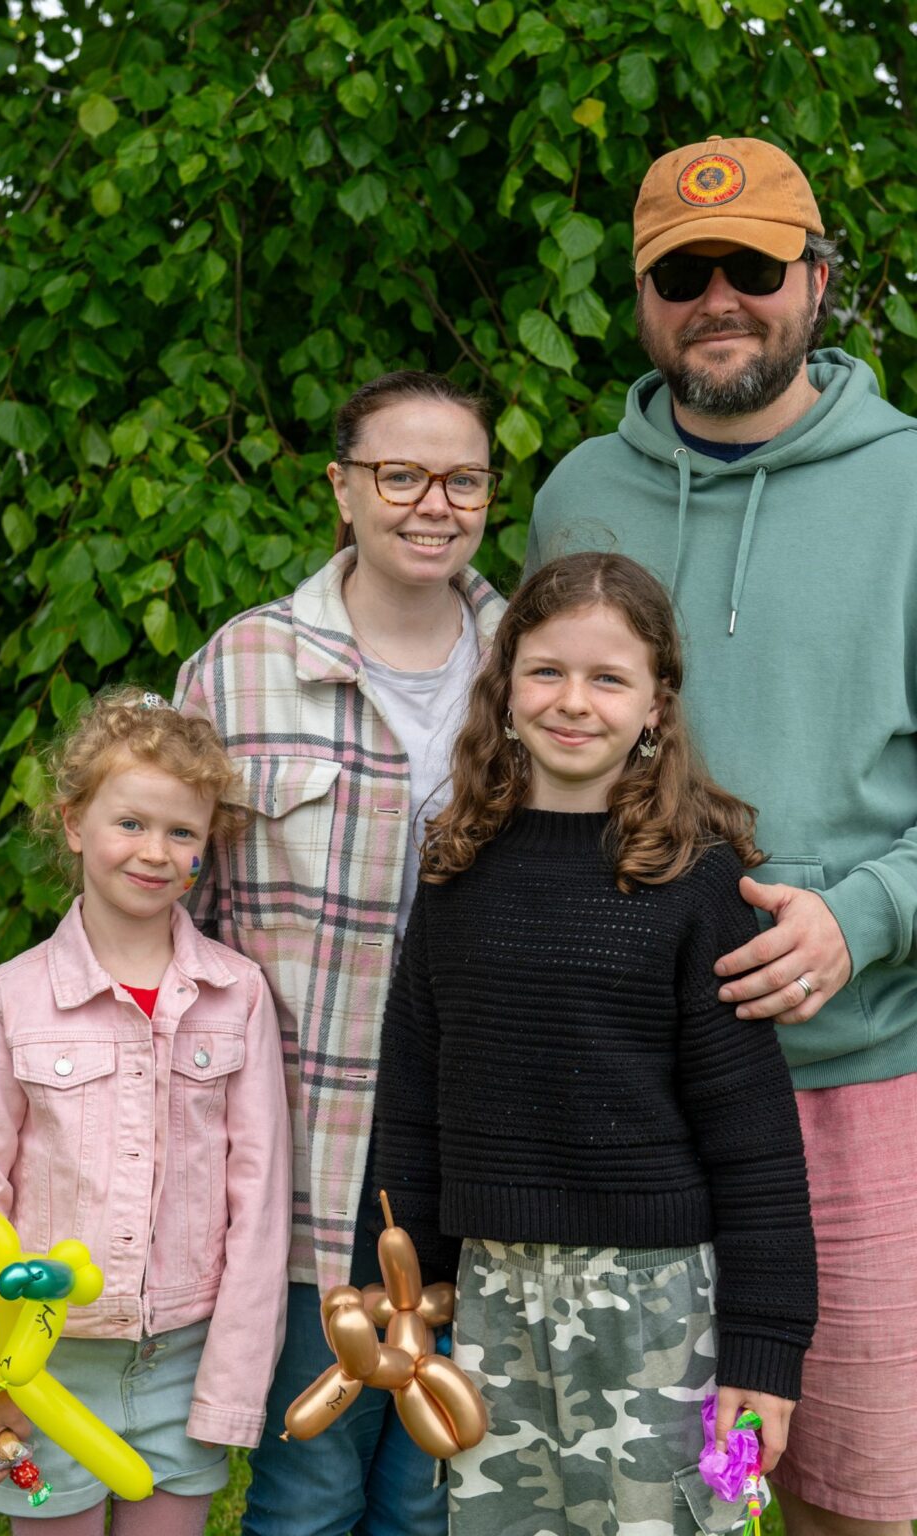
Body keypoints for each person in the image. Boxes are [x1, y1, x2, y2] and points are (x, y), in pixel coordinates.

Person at [526, 134, 917, 1535]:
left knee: (858, 1493)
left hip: (852, 1076)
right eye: (681, 272)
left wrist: (859, 915)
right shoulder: (578, 495)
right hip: (624, 1097)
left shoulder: (910, 492)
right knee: (648, 1489)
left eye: (750, 266)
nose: (717, 298)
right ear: (640, 297)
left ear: (816, 281)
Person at [372, 552, 818, 1536]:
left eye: (608, 678)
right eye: (546, 672)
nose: (573, 701)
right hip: (490, 1294)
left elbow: (755, 1143)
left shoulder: (696, 885)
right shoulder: (457, 869)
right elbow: (411, 1092)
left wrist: (762, 1353)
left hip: (660, 1308)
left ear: (656, 704)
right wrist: (400, 1279)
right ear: (502, 687)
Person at [174, 371, 507, 1536]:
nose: (433, 503)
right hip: (311, 1143)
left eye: (462, 477)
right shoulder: (244, 667)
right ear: (342, 488)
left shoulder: (532, 667)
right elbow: (182, 919)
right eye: (398, 475)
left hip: (481, 1140)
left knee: (434, 1483)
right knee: (310, 1477)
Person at [0, 687, 291, 1536]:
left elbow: (259, 1201)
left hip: (181, 1361)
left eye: (182, 832)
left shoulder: (237, 998)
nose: (154, 852)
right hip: (42, 1362)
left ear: (205, 849)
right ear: (74, 821)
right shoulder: (7, 1004)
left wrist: (229, 1388)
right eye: (130, 823)